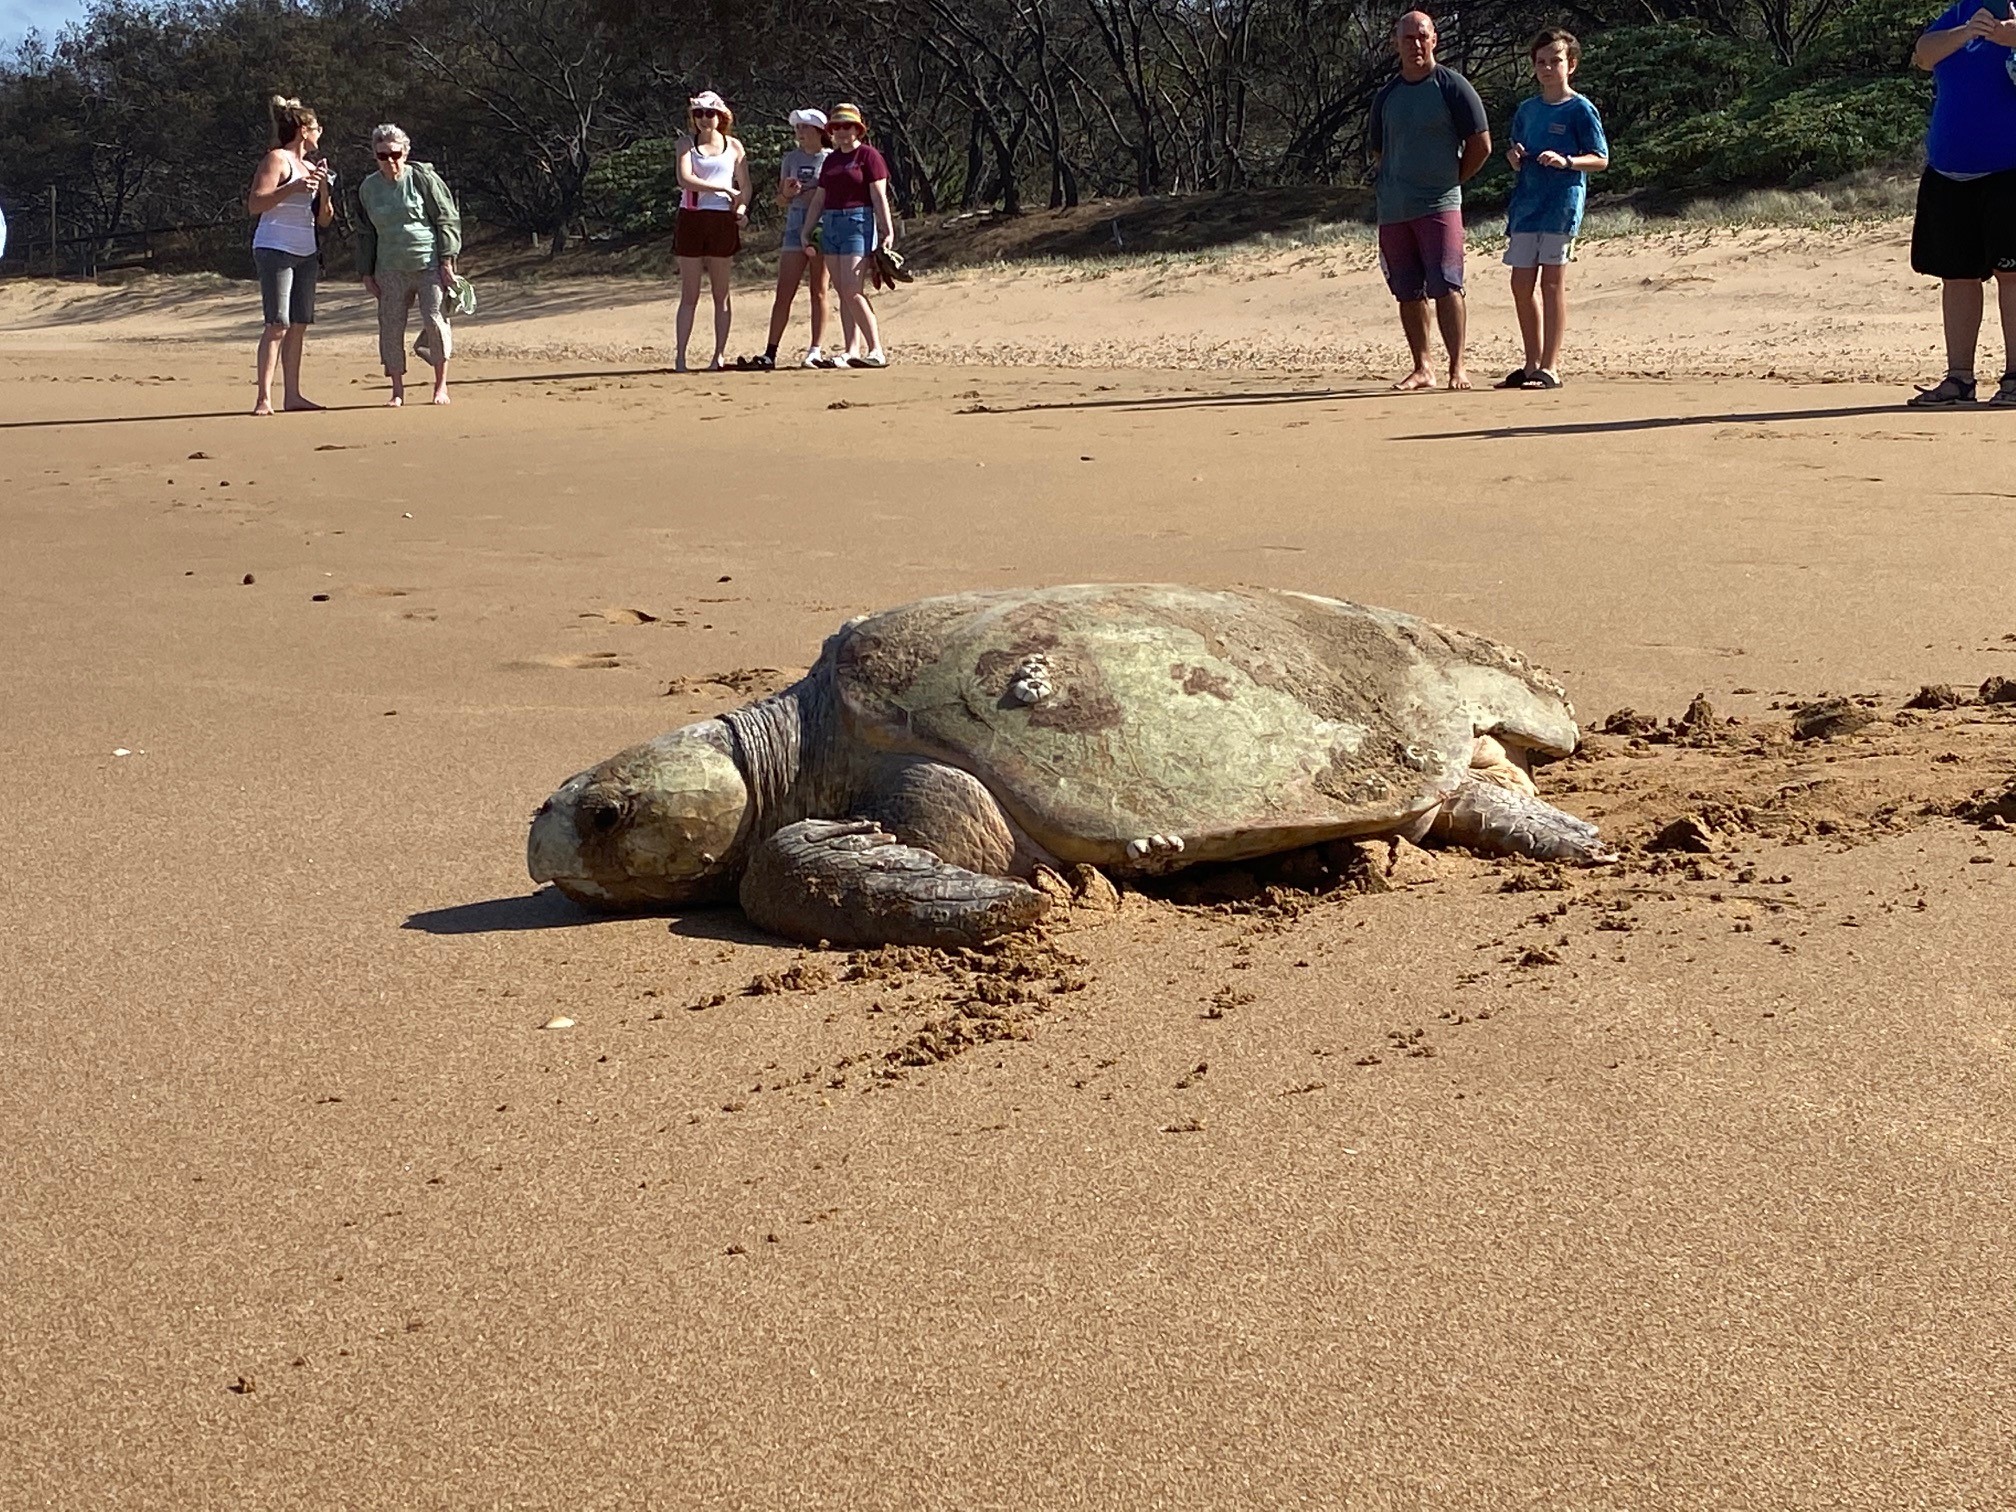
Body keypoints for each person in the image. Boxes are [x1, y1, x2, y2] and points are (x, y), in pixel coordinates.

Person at [1368, 12, 1490, 391]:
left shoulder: (1452, 86)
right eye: (1408, 38)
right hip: (1394, 209)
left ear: (1434, 39)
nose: (1415, 45)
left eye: (1422, 37)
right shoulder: (1386, 96)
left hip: (1439, 204)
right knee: (1408, 290)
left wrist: (1451, 179)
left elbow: (1481, 144)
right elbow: (1378, 151)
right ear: (1396, 44)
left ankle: (1458, 367)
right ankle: (1423, 366)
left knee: (1447, 284)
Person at [1907, 0, 2016, 406]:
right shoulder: (1962, 11)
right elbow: (1923, 53)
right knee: (1956, 276)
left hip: (2009, 170)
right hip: (1949, 171)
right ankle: (1959, 379)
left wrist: (2013, 36)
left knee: (2013, 275)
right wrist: (1967, 31)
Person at [1497, 28, 1609, 390]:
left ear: (1570, 65)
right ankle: (1530, 363)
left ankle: (1550, 366)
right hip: (1526, 206)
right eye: (1541, 62)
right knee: (1520, 284)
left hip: (1560, 206)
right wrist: (1515, 157)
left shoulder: (1581, 109)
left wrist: (1567, 161)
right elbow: (1515, 154)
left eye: (1555, 61)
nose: (1548, 68)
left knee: (1552, 283)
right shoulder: (1527, 110)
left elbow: (1600, 158)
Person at [354, 124, 462, 406]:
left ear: (406, 152)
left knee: (435, 321)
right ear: (374, 154)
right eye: (382, 155)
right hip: (389, 267)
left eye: (395, 153)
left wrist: (447, 262)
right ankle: (397, 390)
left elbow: (446, 219)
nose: (390, 160)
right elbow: (365, 232)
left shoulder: (423, 179)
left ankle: (440, 386)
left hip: (429, 263)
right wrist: (366, 272)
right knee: (390, 326)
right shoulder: (368, 188)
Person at [245, 95, 335, 415]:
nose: (319, 132)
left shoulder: (310, 166)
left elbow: (324, 218)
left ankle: (293, 395)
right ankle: (264, 398)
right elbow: (256, 203)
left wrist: (323, 188)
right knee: (277, 324)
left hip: (306, 250)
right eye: (316, 127)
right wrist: (294, 187)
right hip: (275, 247)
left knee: (298, 324)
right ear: (302, 130)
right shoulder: (277, 160)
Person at [794, 103, 897, 368]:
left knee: (853, 290)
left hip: (858, 221)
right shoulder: (831, 160)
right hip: (831, 223)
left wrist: (887, 230)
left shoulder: (869, 156)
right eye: (836, 126)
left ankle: (876, 349)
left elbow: (878, 195)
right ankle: (851, 350)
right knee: (842, 291)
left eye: (847, 126)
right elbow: (819, 198)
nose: (841, 131)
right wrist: (806, 231)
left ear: (858, 129)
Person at [745, 109, 833, 370]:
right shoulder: (790, 159)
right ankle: (770, 351)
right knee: (785, 291)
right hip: (795, 223)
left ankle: (815, 350)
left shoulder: (829, 159)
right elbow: (780, 201)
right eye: (797, 129)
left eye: (805, 128)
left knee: (818, 290)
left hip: (820, 225)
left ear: (819, 131)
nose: (800, 133)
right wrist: (786, 193)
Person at [674, 90, 751, 373]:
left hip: (721, 220)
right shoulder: (685, 144)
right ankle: (681, 356)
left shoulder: (734, 146)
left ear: (721, 117)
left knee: (721, 292)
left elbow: (745, 187)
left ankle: (718, 354)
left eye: (710, 113)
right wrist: (722, 188)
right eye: (699, 114)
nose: (704, 119)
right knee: (690, 293)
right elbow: (685, 179)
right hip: (691, 218)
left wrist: (740, 210)